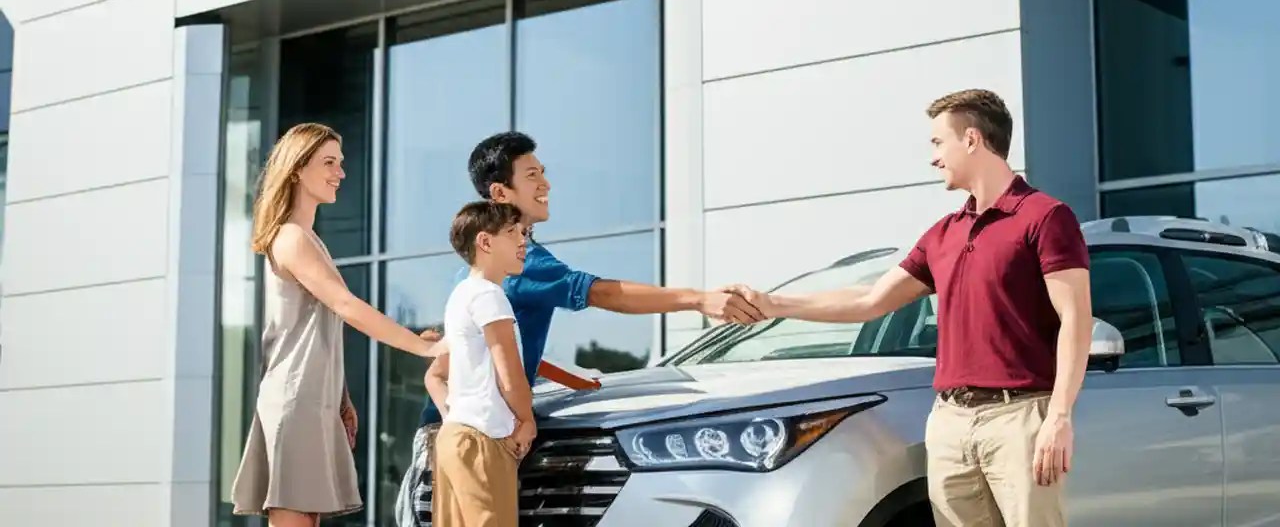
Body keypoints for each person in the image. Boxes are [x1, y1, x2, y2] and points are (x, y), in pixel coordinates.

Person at [729, 90, 1092, 527]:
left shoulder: (1045, 217)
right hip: (949, 422)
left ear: (972, 139)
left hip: (1019, 419)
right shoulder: (942, 234)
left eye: (939, 143)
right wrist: (773, 305)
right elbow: (870, 300)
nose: (933, 158)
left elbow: (1076, 318)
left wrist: (1058, 416)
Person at [395, 131, 763, 527]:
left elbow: (471, 359)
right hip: (479, 440)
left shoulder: (472, 275)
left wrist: (571, 379)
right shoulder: (523, 267)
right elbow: (605, 294)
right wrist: (698, 299)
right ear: (500, 193)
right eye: (532, 174)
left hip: (445, 438)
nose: (545, 183)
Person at [232, 123, 443, 527]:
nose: (340, 173)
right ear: (297, 168)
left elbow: (319, 329)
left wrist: (341, 397)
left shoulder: (312, 240)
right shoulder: (292, 238)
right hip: (294, 402)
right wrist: (423, 348)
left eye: (341, 163)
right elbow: (346, 306)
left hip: (312, 400)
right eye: (329, 162)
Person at [425, 200, 535, 527]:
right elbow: (509, 374)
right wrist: (527, 421)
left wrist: (455, 415)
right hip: (482, 441)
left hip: (454, 440)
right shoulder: (489, 296)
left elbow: (434, 376)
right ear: (485, 242)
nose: (523, 240)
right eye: (512, 232)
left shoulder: (460, 295)